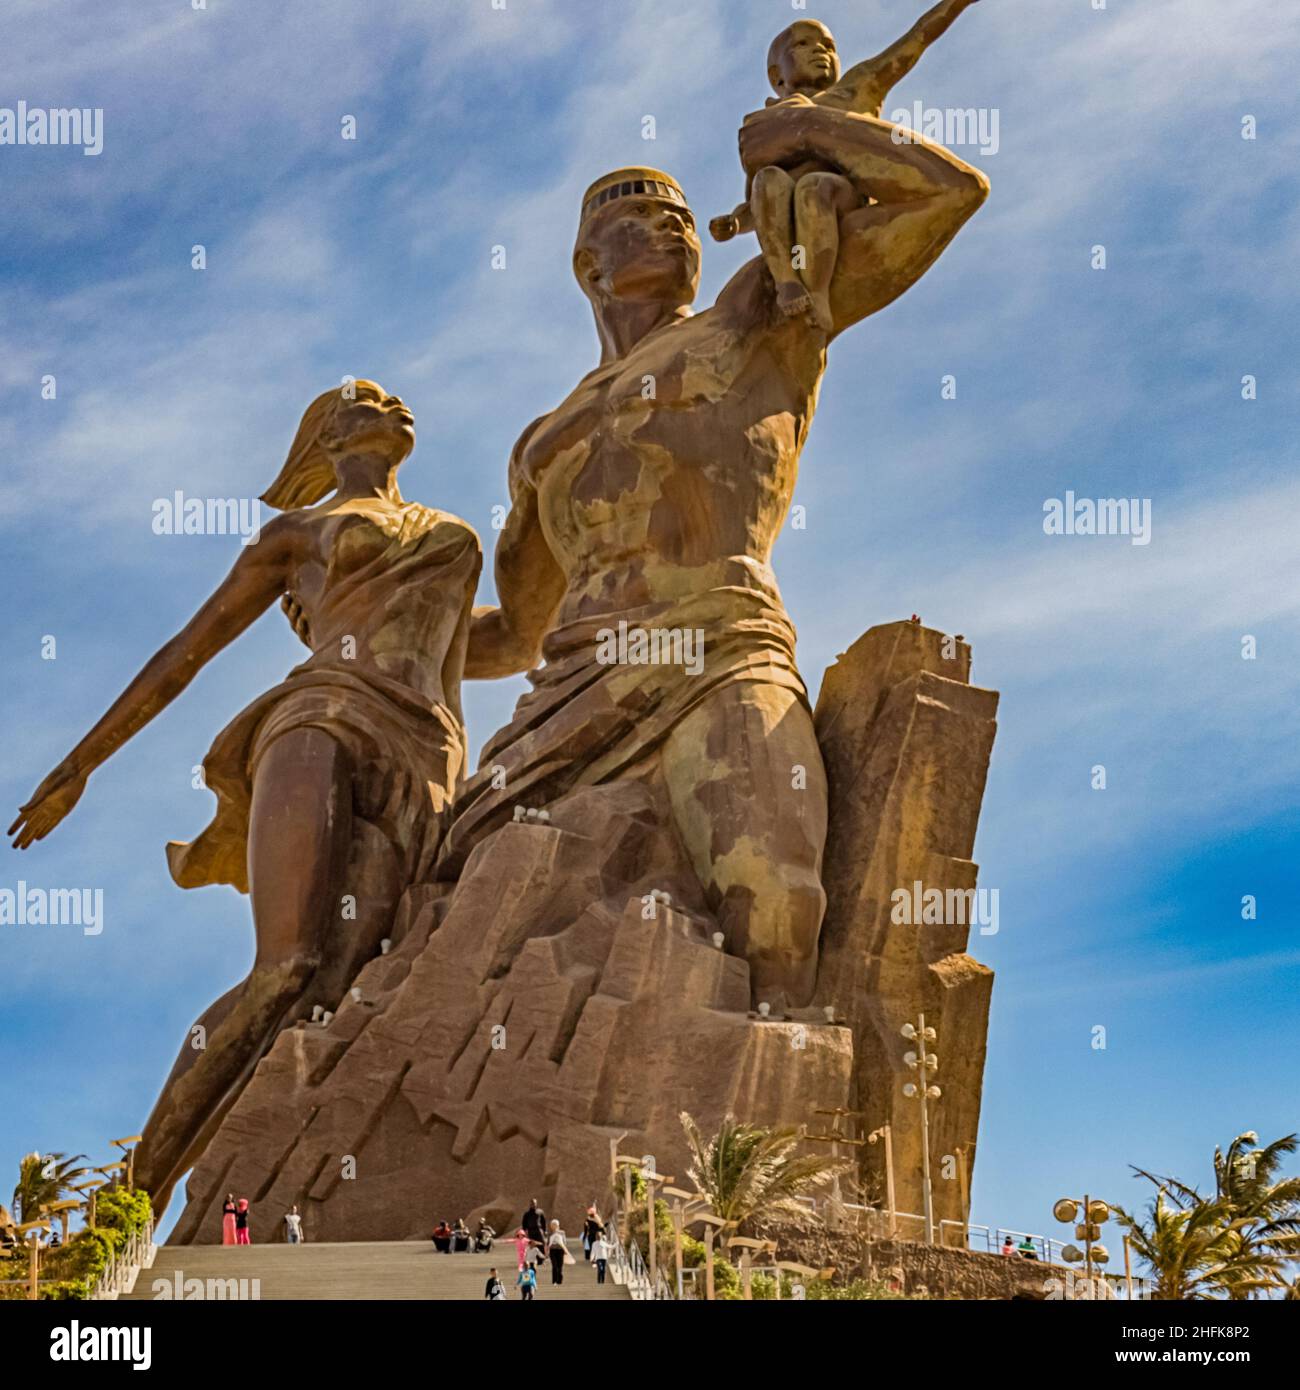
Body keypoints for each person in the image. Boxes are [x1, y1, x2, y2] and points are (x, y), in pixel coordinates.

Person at [441, 89, 988, 1013]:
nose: (671, 227)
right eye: (639, 216)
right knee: (456, 927)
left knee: (778, 900)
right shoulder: (542, 441)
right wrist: (367, 648)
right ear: (587, 265)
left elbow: (947, 194)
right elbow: (514, 638)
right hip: (571, 689)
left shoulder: (764, 305)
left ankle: (781, 1141)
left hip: (720, 647)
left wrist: (817, 132)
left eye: (685, 218)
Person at [10, 381, 483, 1222]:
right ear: (329, 437)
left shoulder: (457, 536)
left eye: (399, 395)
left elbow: (471, 656)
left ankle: (269, 1190)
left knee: (345, 982)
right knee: (287, 968)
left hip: (425, 749)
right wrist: (81, 764)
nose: (397, 402)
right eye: (369, 398)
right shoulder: (297, 534)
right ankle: (129, 1205)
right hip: (321, 719)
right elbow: (185, 653)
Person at [710, 1, 982, 330]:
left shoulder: (856, 88)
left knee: (815, 188)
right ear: (776, 77)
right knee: (769, 179)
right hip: (786, 219)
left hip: (837, 198)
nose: (820, 51)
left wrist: (956, 4)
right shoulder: (764, 125)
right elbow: (756, 199)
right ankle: (787, 282)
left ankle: (819, 293)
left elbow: (915, 40)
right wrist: (735, 223)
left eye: (829, 46)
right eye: (803, 44)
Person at [546, 1219, 570, 1286]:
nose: (554, 1226)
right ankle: (554, 1281)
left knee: (560, 1266)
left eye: (555, 1224)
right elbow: (548, 1243)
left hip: (560, 1251)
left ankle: (559, 1281)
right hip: (552, 1251)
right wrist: (547, 1251)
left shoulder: (562, 1232)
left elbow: (564, 1241)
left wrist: (565, 1249)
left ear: (558, 1225)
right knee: (554, 1266)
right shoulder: (550, 1233)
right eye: (552, 1225)